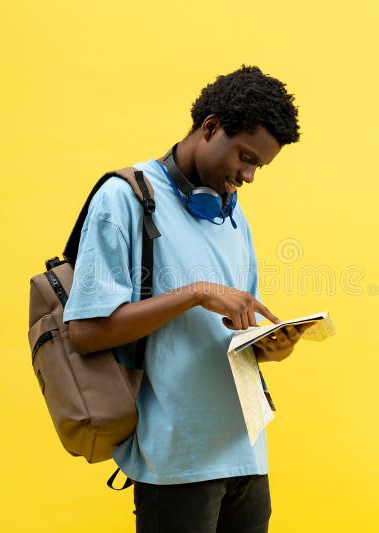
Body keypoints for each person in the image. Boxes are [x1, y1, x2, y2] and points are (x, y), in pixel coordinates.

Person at [64, 65, 310, 533]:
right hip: (177, 461)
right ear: (210, 127)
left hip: (247, 456)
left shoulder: (234, 216)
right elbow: (86, 332)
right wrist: (196, 293)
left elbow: (235, 329)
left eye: (260, 165)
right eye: (245, 156)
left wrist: (272, 345)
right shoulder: (125, 198)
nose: (250, 175)